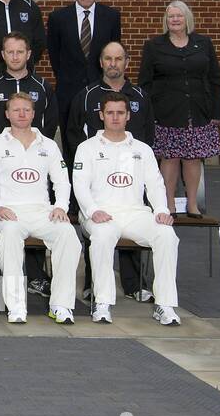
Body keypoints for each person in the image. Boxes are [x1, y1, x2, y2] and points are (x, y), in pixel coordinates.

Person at [72, 91, 182, 326]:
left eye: (120, 113)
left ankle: (165, 305)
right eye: (110, 113)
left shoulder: (142, 149)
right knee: (102, 236)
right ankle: (102, 303)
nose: (115, 117)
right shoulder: (87, 148)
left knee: (166, 235)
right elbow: (80, 185)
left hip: (135, 213)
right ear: (101, 115)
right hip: (99, 213)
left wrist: (161, 209)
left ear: (128, 116)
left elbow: (155, 184)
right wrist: (92, 211)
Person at [0, 93, 81, 324]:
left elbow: (62, 181)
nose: (22, 114)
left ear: (34, 114)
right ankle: (16, 307)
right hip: (9, 212)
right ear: (7, 114)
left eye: (26, 109)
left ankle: (61, 305)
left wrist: (61, 206)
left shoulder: (49, 145)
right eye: (16, 110)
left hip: (42, 211)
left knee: (68, 235)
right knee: (9, 236)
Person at [67, 41, 154, 301]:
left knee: (133, 224)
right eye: (108, 59)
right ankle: (94, 285)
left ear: (126, 62)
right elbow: (73, 135)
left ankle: (135, 284)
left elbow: (148, 135)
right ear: (101, 62)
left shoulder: (139, 96)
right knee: (99, 232)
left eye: (118, 59)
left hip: (131, 177)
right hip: (97, 178)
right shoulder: (87, 95)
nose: (113, 64)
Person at [0, 31, 57, 291]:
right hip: (1, 164)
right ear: (3, 55)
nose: (15, 56)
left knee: (34, 216)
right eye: (10, 52)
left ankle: (35, 275)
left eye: (19, 52)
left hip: (33, 164)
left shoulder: (43, 86)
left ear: (28, 54)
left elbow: (50, 123)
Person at [138, 0, 220, 217]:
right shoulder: (154, 46)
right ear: (166, 21)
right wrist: (148, 113)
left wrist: (216, 112)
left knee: (193, 158)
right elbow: (145, 83)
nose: (175, 19)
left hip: (197, 111)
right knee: (169, 158)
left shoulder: (203, 43)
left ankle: (193, 204)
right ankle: (169, 204)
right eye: (170, 16)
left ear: (187, 19)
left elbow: (215, 78)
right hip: (166, 111)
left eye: (179, 16)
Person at [46, 0, 121, 153]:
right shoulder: (58, 18)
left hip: (101, 89)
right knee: (71, 142)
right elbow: (54, 54)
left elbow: (113, 52)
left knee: (103, 142)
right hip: (68, 91)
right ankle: (71, 181)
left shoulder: (111, 17)